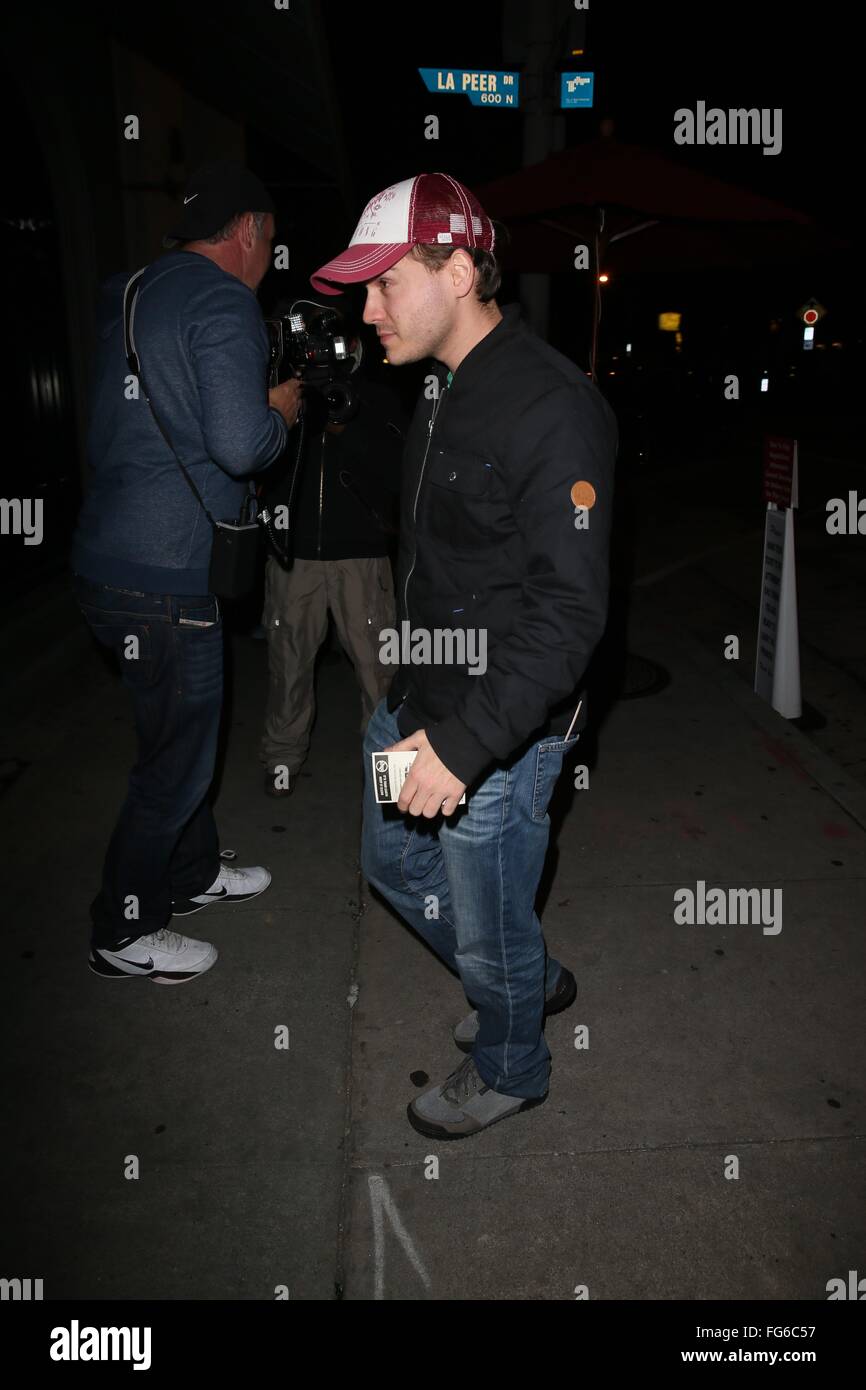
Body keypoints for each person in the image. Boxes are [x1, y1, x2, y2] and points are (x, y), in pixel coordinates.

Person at [311, 172, 618, 1138]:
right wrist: (404, 698)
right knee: (392, 866)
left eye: (383, 284)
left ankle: (512, 1058)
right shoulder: (438, 387)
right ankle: (519, 977)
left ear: (458, 268)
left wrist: (462, 746)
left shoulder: (553, 407)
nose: (367, 312)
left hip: (499, 729)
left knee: (486, 926)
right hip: (417, 696)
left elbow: (569, 616)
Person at [71, 161, 302, 985]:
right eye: (269, 243)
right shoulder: (223, 301)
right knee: (176, 763)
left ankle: (194, 873)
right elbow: (242, 445)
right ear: (244, 232)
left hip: (108, 564)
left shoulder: (129, 292)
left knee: (172, 739)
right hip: (167, 578)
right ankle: (124, 926)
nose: (270, 261)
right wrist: (280, 411)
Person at [258, 309, 404, 797]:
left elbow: (399, 471)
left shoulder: (376, 396)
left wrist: (348, 426)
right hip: (292, 555)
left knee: (377, 669)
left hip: (360, 555)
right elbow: (250, 462)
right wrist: (283, 416)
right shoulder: (279, 395)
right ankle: (282, 760)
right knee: (288, 664)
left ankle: (387, 769)